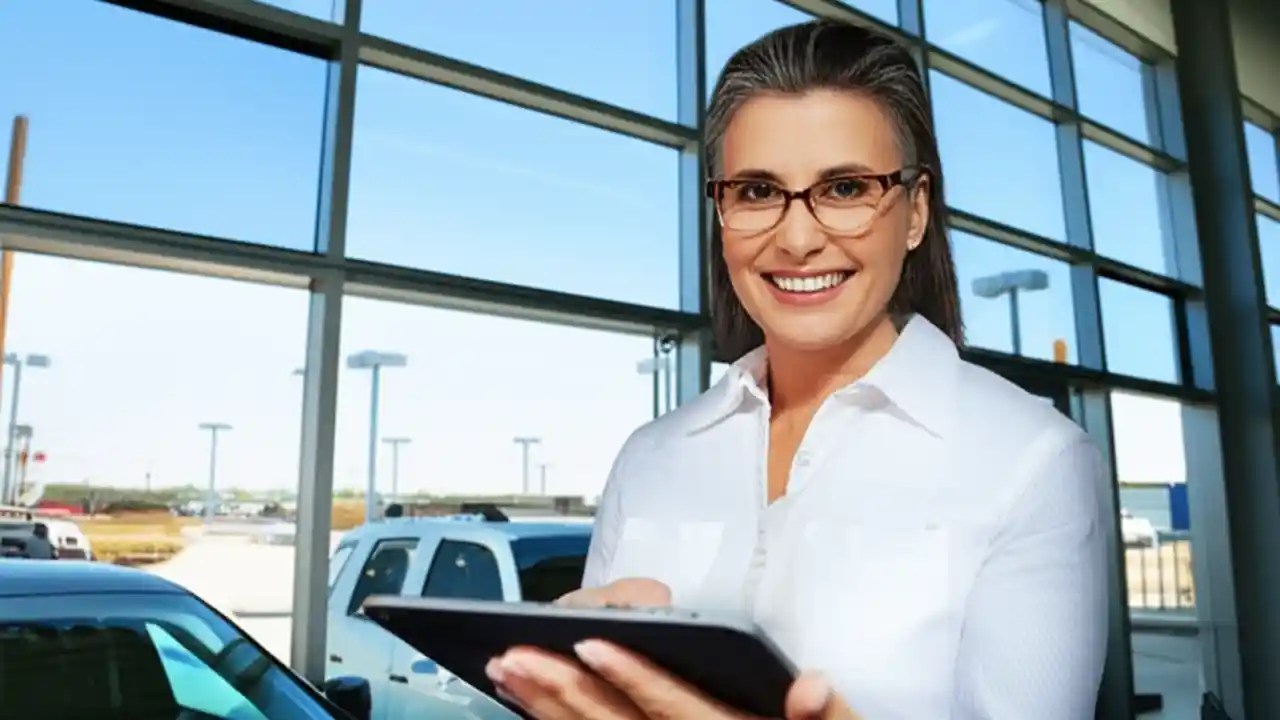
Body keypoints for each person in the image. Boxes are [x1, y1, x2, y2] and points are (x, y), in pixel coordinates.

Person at [485, 18, 1109, 720]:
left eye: (845, 189)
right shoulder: (650, 457)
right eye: (756, 191)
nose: (799, 237)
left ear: (915, 212)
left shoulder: (1032, 460)